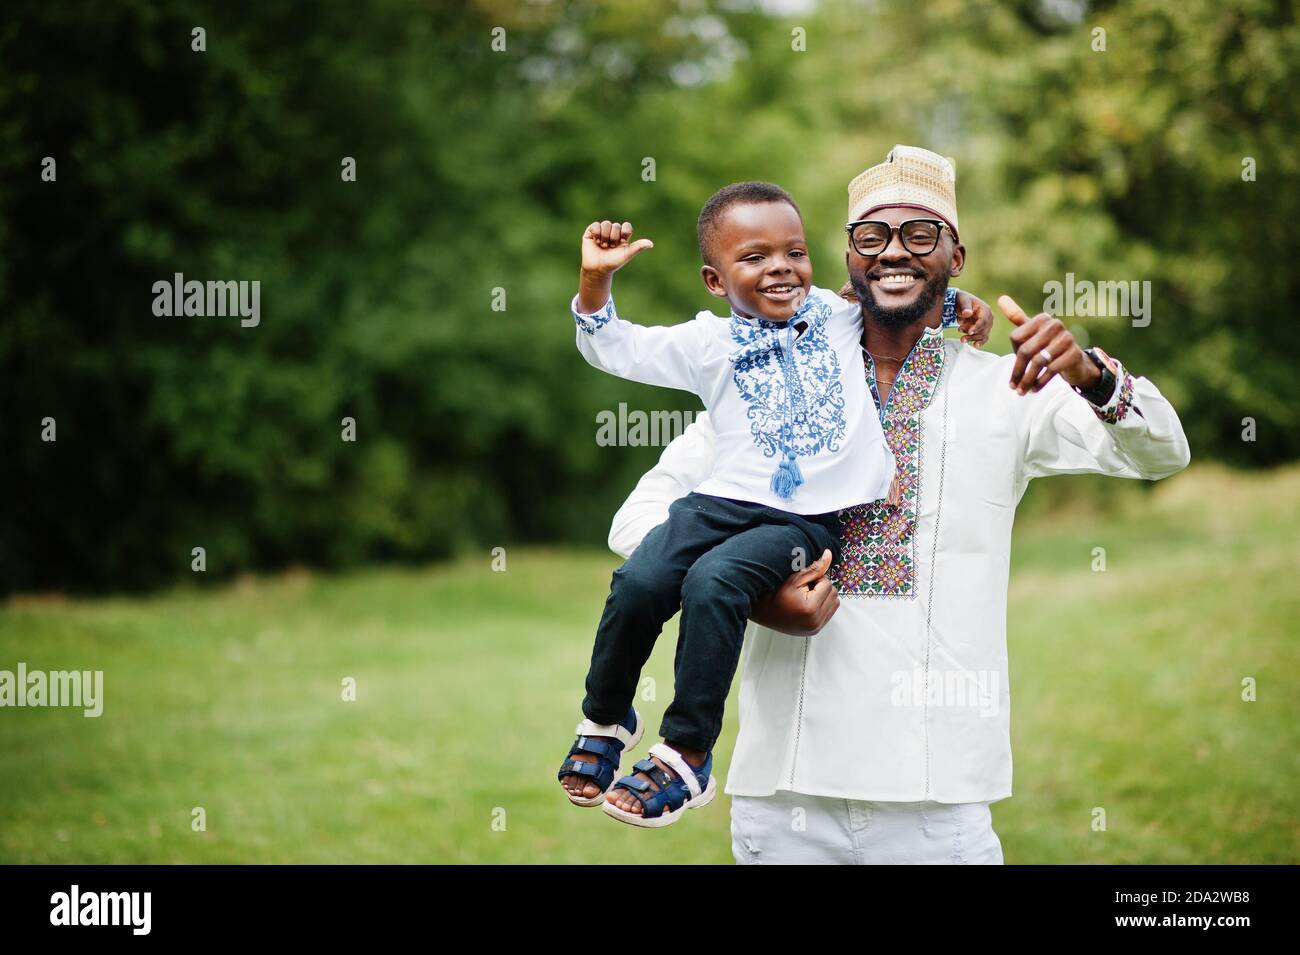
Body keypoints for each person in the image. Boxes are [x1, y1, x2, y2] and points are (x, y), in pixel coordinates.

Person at [606, 145, 1191, 860]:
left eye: (921, 235)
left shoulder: (1007, 389)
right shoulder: (766, 381)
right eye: (872, 236)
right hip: (785, 792)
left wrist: (1088, 372)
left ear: (955, 255)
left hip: (937, 792)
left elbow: (1161, 450)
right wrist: (754, 595)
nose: (894, 253)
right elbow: (639, 519)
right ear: (848, 257)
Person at [556, 180, 992, 827]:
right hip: (715, 503)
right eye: (755, 257)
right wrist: (595, 281)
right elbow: (611, 344)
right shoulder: (707, 343)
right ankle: (607, 715)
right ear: (713, 278)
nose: (780, 267)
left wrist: (961, 305)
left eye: (794, 251)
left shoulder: (840, 317)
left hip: (801, 521)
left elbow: (899, 299)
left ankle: (687, 749)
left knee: (714, 583)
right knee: (640, 578)